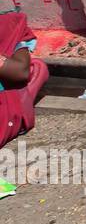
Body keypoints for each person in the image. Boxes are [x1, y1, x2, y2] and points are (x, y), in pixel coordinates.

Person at [0, 10, 47, 150]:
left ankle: (20, 100)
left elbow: (20, 72)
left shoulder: (9, 23)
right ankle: (20, 100)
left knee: (37, 68)